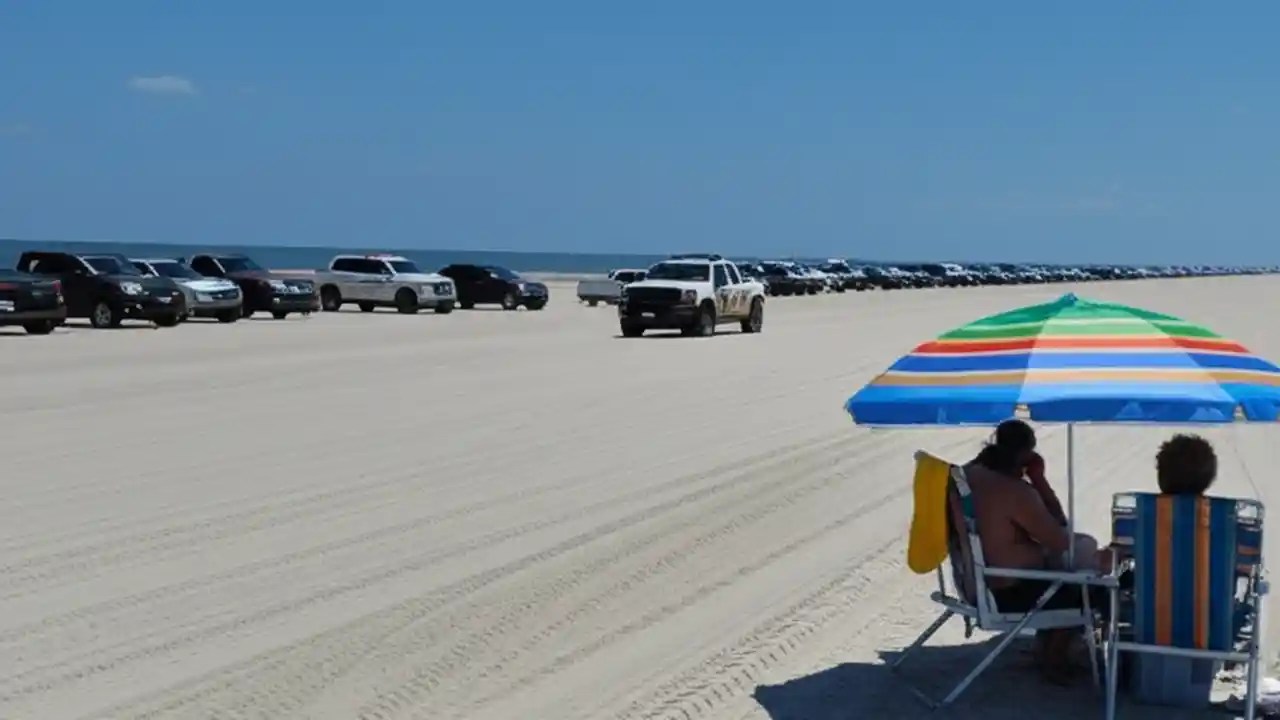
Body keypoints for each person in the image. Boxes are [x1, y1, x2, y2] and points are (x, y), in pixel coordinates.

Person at [963, 419, 1109, 684]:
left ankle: (1049, 647)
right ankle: (1054, 657)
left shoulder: (968, 476)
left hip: (975, 584)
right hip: (1008, 593)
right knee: (1087, 587)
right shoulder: (1015, 490)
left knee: (1066, 567)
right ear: (1025, 455)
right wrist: (1038, 479)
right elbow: (1061, 537)